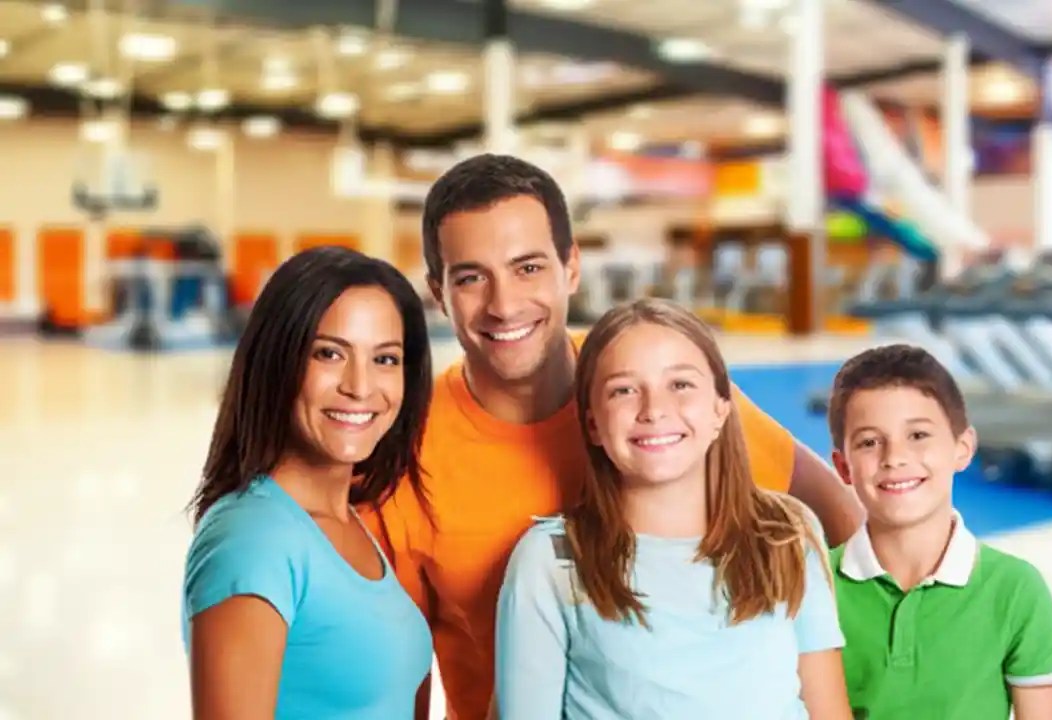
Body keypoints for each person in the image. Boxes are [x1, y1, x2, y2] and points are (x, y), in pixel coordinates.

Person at [363, 153, 864, 720]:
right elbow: (398, 674)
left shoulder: (657, 385)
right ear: (438, 290)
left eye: (528, 268)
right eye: (472, 278)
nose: (504, 305)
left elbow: (838, 521)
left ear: (570, 267)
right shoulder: (405, 455)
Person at [494, 298, 853, 719]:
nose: (654, 410)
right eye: (624, 390)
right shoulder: (553, 560)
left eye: (680, 384)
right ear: (593, 424)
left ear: (722, 409)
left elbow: (830, 711)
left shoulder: (785, 533)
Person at [183, 246, 435, 719]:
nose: (360, 386)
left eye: (385, 359)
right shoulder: (253, 538)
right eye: (329, 353)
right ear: (278, 361)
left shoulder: (350, 523)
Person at [824, 344, 1052, 719]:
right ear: (844, 467)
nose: (895, 457)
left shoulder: (1014, 588)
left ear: (963, 448)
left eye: (919, 435)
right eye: (870, 442)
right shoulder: (812, 586)